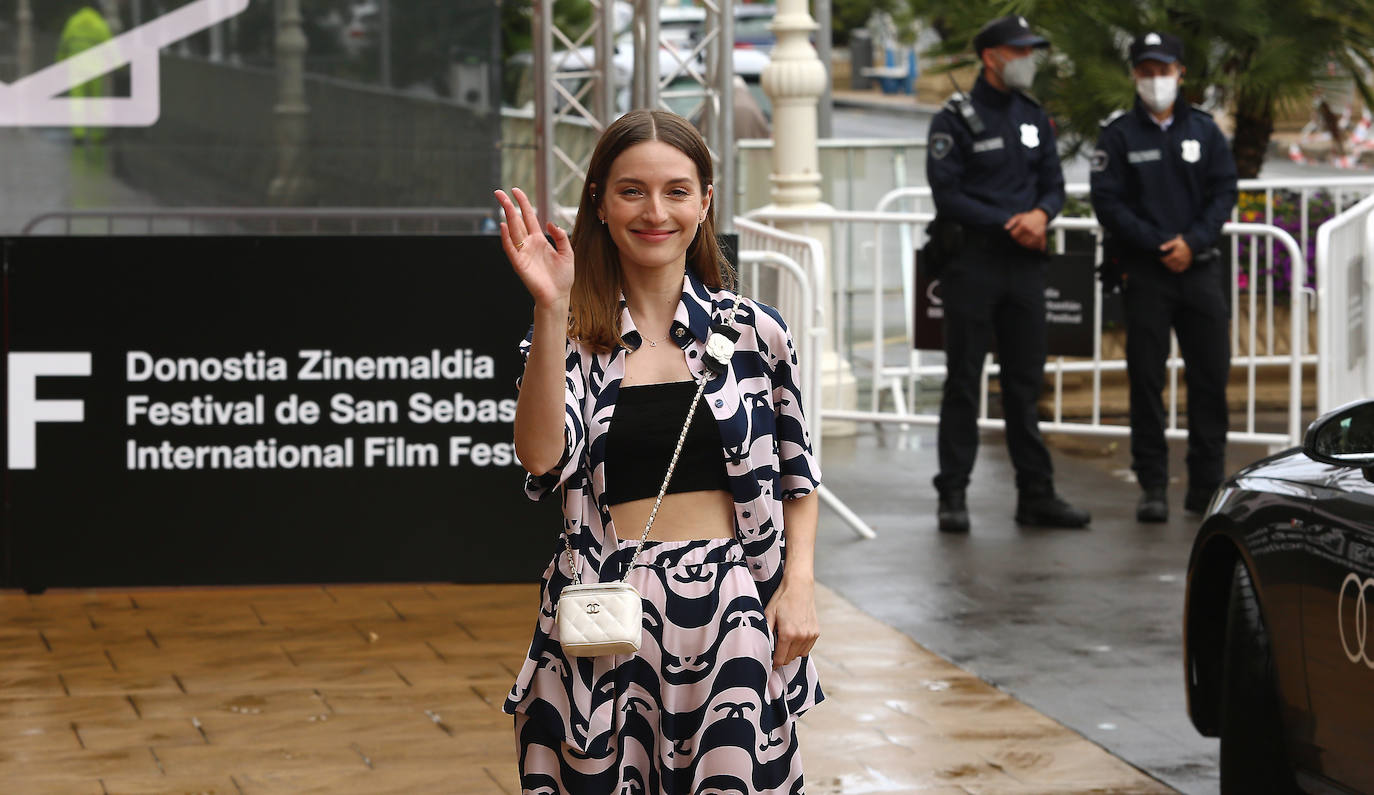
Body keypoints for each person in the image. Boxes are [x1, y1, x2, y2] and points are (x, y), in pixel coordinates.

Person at [496, 109, 823, 793]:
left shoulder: (755, 331)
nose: (655, 211)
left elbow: (798, 474)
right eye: (631, 190)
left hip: (732, 608)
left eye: (677, 190)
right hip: (604, 611)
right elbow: (540, 458)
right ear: (600, 201)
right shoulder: (572, 337)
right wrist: (550, 308)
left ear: (705, 201)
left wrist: (798, 587)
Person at [925, 15, 1090, 532]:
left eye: (1030, 50)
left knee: (1024, 383)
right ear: (992, 56)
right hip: (972, 264)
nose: (1028, 60)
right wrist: (1007, 223)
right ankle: (953, 493)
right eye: (1019, 51)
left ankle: (1036, 494)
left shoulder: (1033, 115)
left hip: (1024, 268)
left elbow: (1053, 184)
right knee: (964, 382)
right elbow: (947, 193)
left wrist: (1041, 215)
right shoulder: (955, 118)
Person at [1089, 32, 1238, 522]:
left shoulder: (1204, 130)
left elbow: (1223, 192)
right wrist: (1158, 245)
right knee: (1146, 382)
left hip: (1199, 272)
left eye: (1164, 69)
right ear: (1135, 74)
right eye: (1147, 70)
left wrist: (1191, 242)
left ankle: (1206, 485)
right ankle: (1152, 485)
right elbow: (1108, 201)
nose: (1156, 79)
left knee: (1210, 380)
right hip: (1146, 273)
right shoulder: (1117, 135)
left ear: (1181, 73)